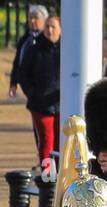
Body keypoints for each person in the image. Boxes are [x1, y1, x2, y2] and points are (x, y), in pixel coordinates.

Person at [13, 13, 58, 167]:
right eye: (47, 26)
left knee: (61, 142)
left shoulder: (67, 50)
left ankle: (59, 176)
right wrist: (33, 94)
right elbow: (22, 73)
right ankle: (47, 178)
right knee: (46, 141)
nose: (50, 30)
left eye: (53, 27)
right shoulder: (34, 49)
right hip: (40, 105)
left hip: (61, 104)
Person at [8, 5, 46, 100]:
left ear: (45, 20)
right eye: (30, 18)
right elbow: (17, 62)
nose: (32, 21)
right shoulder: (25, 39)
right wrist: (13, 83)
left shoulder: (47, 40)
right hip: (27, 83)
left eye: (36, 18)